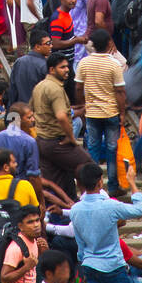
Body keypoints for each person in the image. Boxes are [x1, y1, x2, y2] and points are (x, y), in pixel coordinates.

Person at [69, 161, 142, 283]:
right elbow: (140, 210)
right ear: (100, 182)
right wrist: (131, 182)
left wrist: (84, 258)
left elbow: (80, 243)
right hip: (112, 265)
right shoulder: (110, 205)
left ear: (80, 184)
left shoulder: (75, 209)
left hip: (90, 265)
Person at [31, 54, 91, 201]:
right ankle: (89, 203)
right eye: (62, 67)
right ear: (52, 69)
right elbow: (61, 116)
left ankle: (64, 212)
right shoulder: (55, 89)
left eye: (67, 66)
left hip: (43, 141)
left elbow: (32, 110)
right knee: (87, 164)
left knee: (60, 178)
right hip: (56, 141)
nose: (67, 70)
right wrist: (71, 137)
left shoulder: (40, 86)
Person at [77, 28, 126, 197]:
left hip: (92, 113)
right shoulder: (114, 64)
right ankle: (112, 186)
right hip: (111, 112)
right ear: (108, 44)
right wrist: (122, 113)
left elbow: (77, 87)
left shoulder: (84, 63)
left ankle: (93, 187)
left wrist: (83, 105)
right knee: (112, 150)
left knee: (93, 150)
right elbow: (120, 91)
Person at [0, 206, 46, 283]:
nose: (36, 225)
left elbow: (34, 268)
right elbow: (4, 278)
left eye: (37, 220)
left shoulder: (35, 241)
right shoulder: (15, 248)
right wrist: (26, 267)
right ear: (21, 226)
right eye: (30, 222)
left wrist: (44, 251)